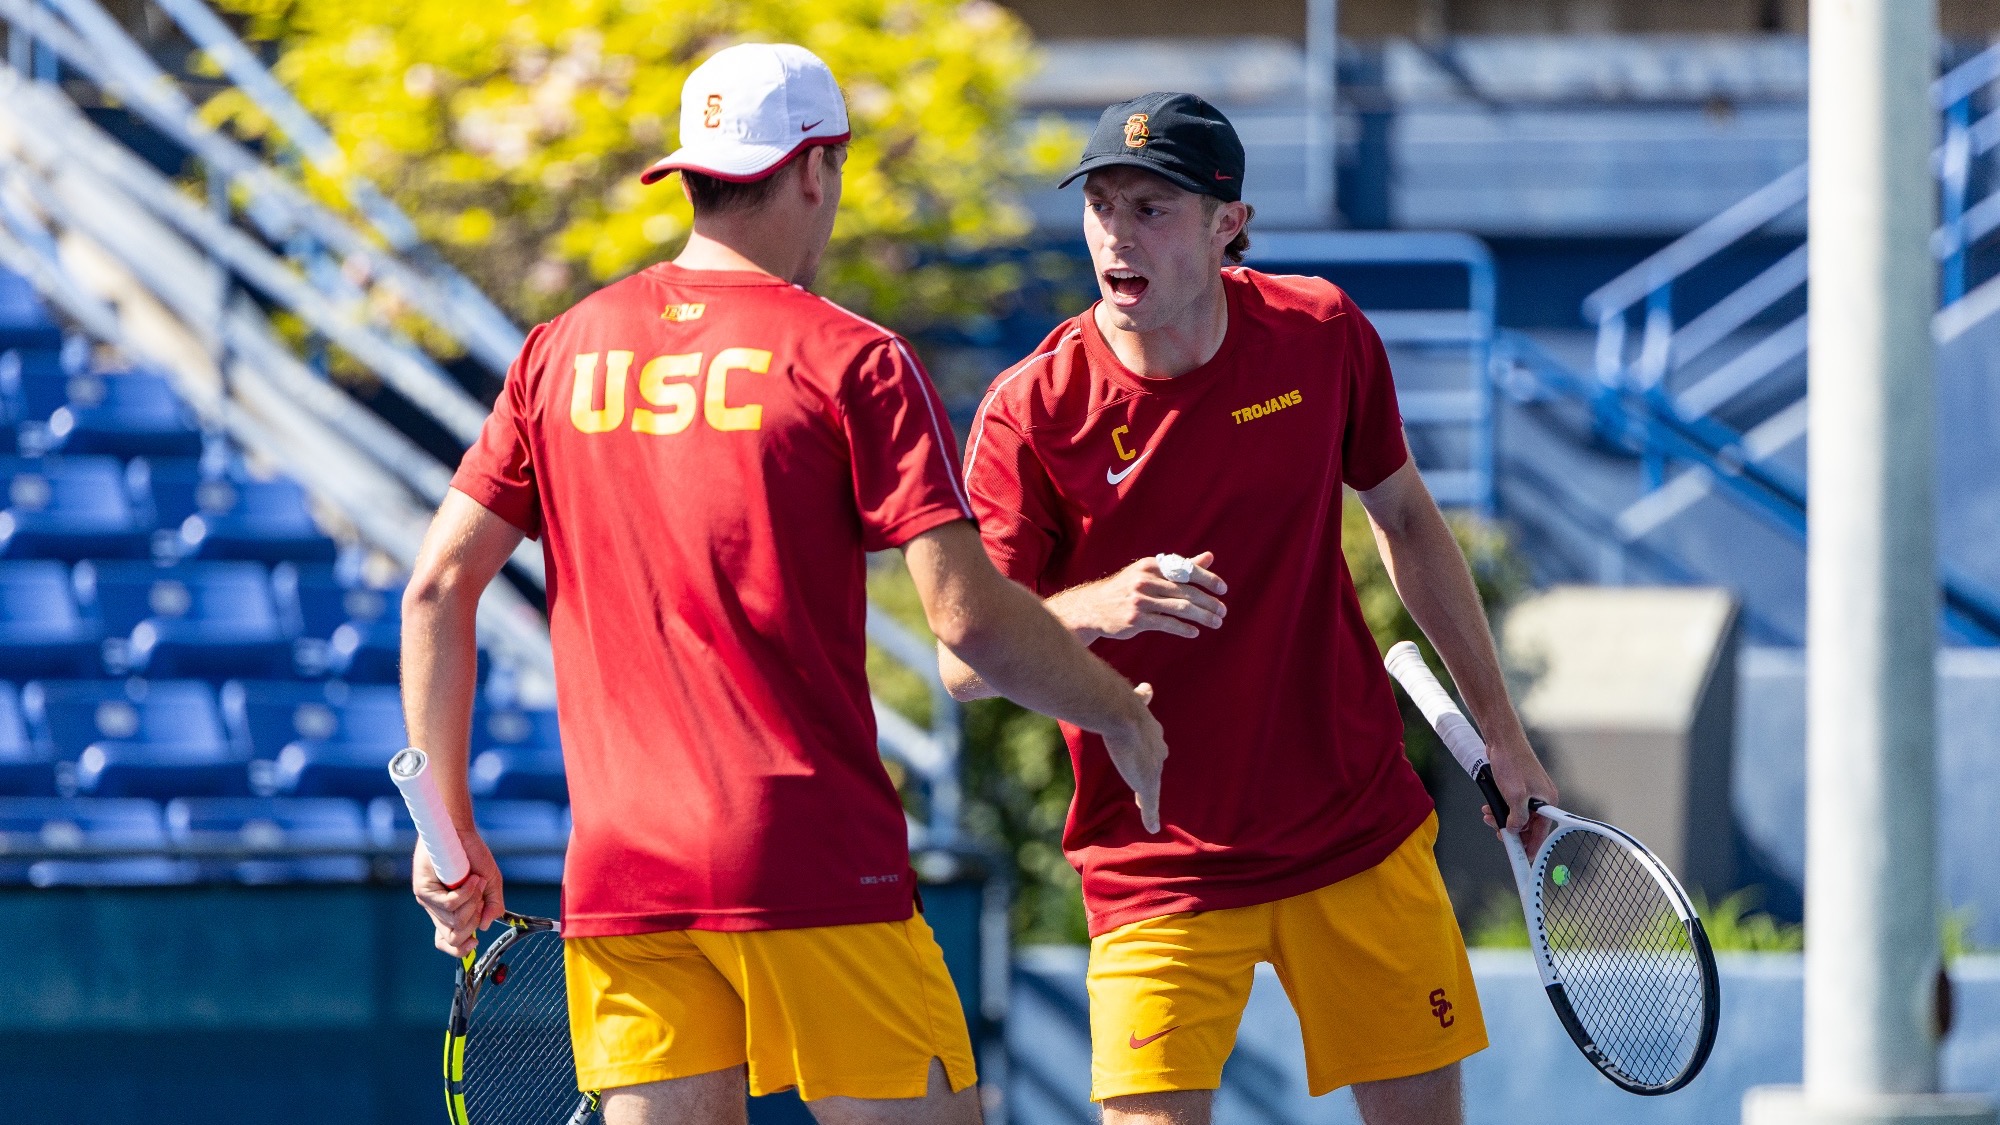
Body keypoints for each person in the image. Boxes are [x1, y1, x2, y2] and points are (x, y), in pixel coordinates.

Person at [401, 44, 1167, 1125]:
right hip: (811, 861)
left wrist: (448, 827)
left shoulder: (557, 352)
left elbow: (436, 588)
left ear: (690, 174)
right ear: (817, 168)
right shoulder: (853, 359)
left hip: (622, 876)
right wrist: (1118, 715)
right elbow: (968, 620)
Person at [942, 92, 1559, 1125]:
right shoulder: (1029, 410)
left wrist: (1503, 736)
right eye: (1100, 206)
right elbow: (966, 660)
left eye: (1151, 208)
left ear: (1228, 223)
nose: (1115, 236)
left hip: (1352, 834)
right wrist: (1098, 604)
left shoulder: (1319, 334)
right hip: (1155, 862)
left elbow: (1403, 519)